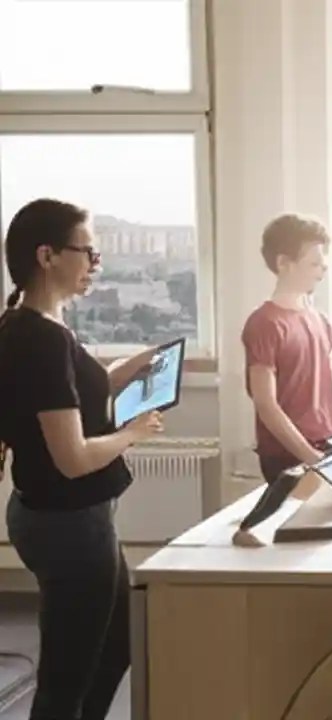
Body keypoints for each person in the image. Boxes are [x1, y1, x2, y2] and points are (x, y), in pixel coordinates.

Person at [0, 198, 165, 720]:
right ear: (47, 255)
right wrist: (132, 433)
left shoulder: (34, 325)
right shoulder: (41, 339)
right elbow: (71, 457)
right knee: (66, 677)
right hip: (68, 524)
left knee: (115, 643)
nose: (96, 263)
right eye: (87, 252)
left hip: (62, 517)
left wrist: (123, 372)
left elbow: (69, 394)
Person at [242, 214, 332, 484]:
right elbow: (266, 404)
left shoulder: (320, 319)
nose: (323, 269)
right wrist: (311, 457)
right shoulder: (264, 324)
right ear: (284, 263)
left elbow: (329, 387)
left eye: (323, 262)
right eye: (314, 263)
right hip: (289, 455)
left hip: (331, 444)